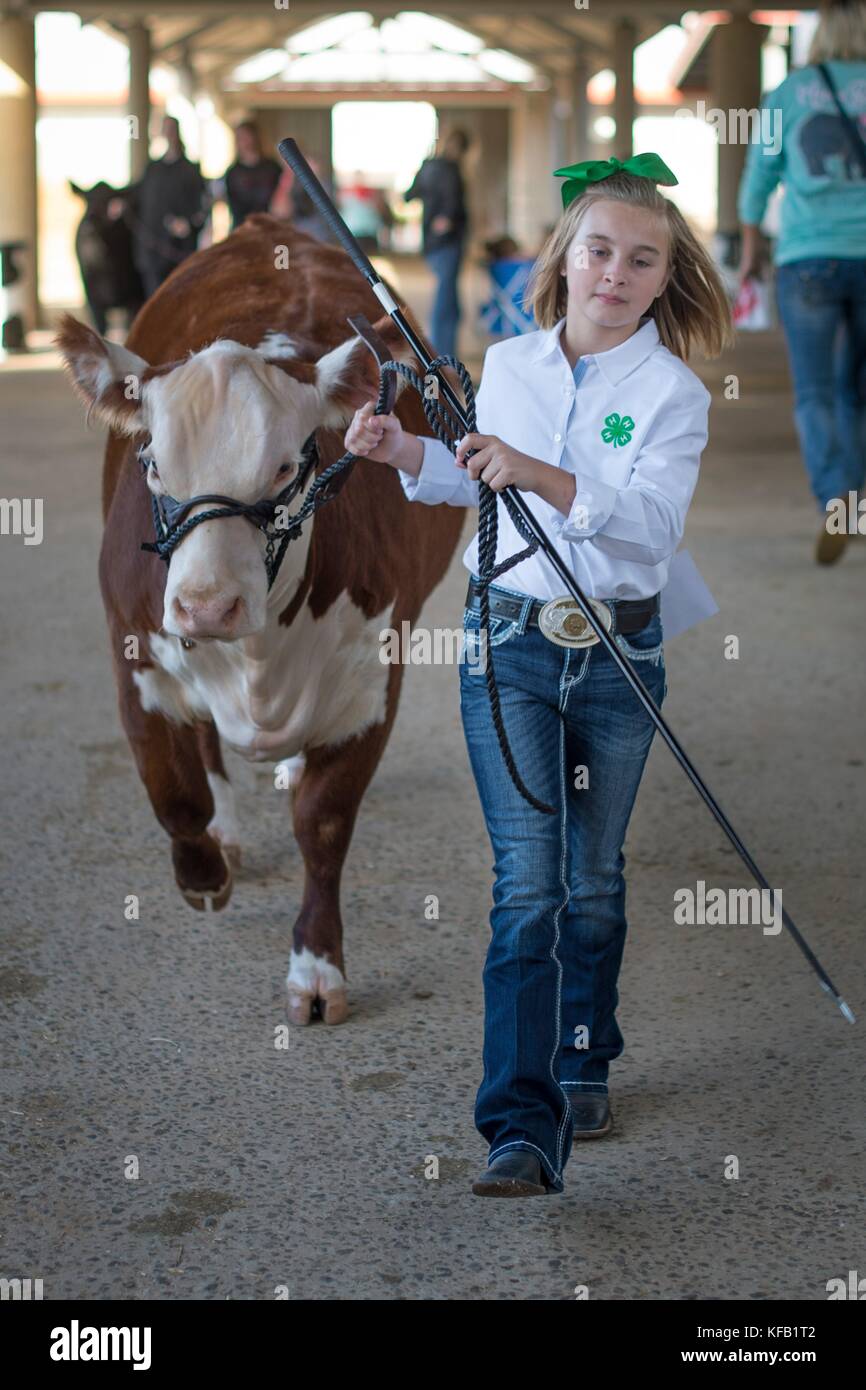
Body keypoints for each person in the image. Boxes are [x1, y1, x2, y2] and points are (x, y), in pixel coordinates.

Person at [344, 153, 733, 1198]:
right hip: (505, 647)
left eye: (639, 259)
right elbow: (474, 488)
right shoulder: (507, 364)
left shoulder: (671, 394)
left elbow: (647, 530)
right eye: (597, 250)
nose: (614, 271)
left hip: (616, 656)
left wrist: (545, 473)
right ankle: (519, 1127)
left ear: (662, 278)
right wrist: (402, 454)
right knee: (528, 887)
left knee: (592, 883)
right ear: (560, 261)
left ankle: (583, 1049)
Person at [737, 0, 866, 565]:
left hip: (808, 254)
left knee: (813, 392)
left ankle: (837, 499)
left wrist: (748, 251)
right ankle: (856, 497)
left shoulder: (786, 92)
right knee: (855, 389)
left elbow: (758, 177)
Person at [404, 129, 471, 358]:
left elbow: (408, 195)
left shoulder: (428, 167)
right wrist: (446, 219)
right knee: (446, 304)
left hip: (431, 244)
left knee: (448, 301)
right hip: (448, 242)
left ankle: (442, 354)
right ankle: (441, 356)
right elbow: (453, 204)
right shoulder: (452, 170)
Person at [129, 115, 210, 298]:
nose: (169, 133)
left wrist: (188, 224)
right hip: (152, 251)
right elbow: (137, 195)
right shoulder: (152, 169)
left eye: (172, 129)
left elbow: (203, 206)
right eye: (165, 129)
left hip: (179, 252)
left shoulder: (191, 170)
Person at [221, 121, 282, 230]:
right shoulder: (233, 172)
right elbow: (234, 206)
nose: (244, 142)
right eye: (239, 138)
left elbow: (279, 199)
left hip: (271, 228)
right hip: (243, 228)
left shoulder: (273, 167)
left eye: (246, 136)